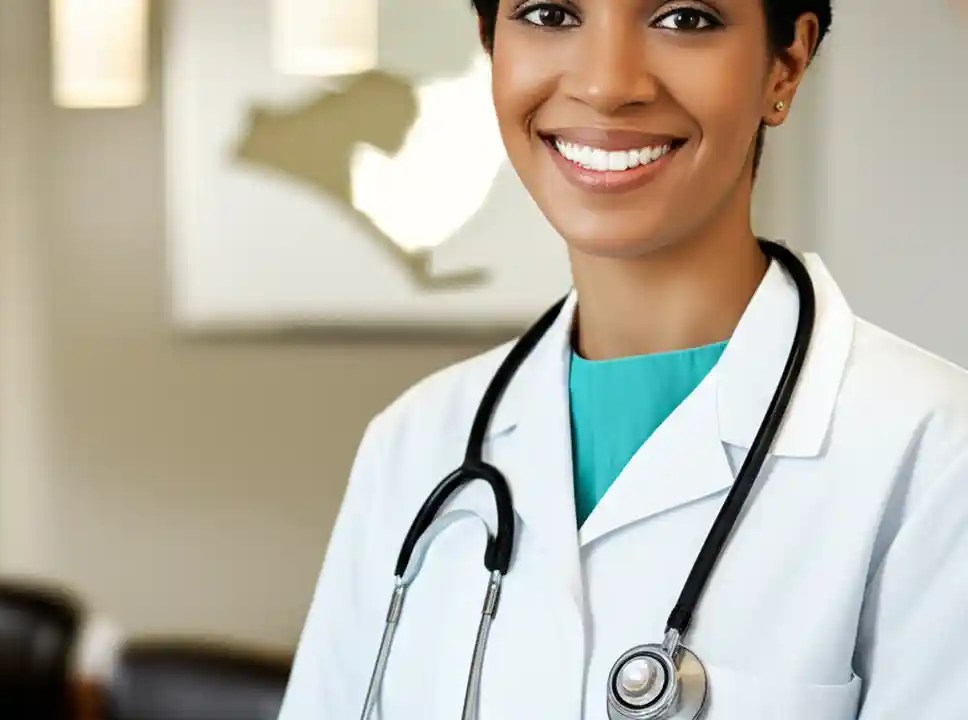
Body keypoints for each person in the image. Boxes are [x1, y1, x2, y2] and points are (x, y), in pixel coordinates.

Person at [279, 1, 968, 718]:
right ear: (490, 43)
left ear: (785, 62)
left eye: (685, 19)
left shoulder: (936, 454)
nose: (609, 85)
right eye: (549, 13)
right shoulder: (415, 442)